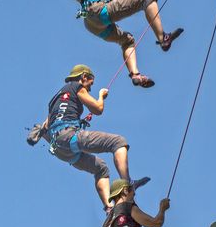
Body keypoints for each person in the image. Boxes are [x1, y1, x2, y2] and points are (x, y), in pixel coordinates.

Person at [26, 64, 149, 208]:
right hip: (69, 136)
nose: (90, 87)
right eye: (91, 83)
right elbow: (98, 109)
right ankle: (128, 184)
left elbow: (47, 124)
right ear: (84, 77)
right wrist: (101, 96)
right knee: (118, 142)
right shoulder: (76, 86)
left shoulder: (55, 99)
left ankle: (109, 210)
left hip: (61, 149)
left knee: (101, 168)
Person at [72, 0, 183, 88]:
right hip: (101, 11)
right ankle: (163, 38)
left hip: (90, 22)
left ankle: (135, 75)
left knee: (127, 41)